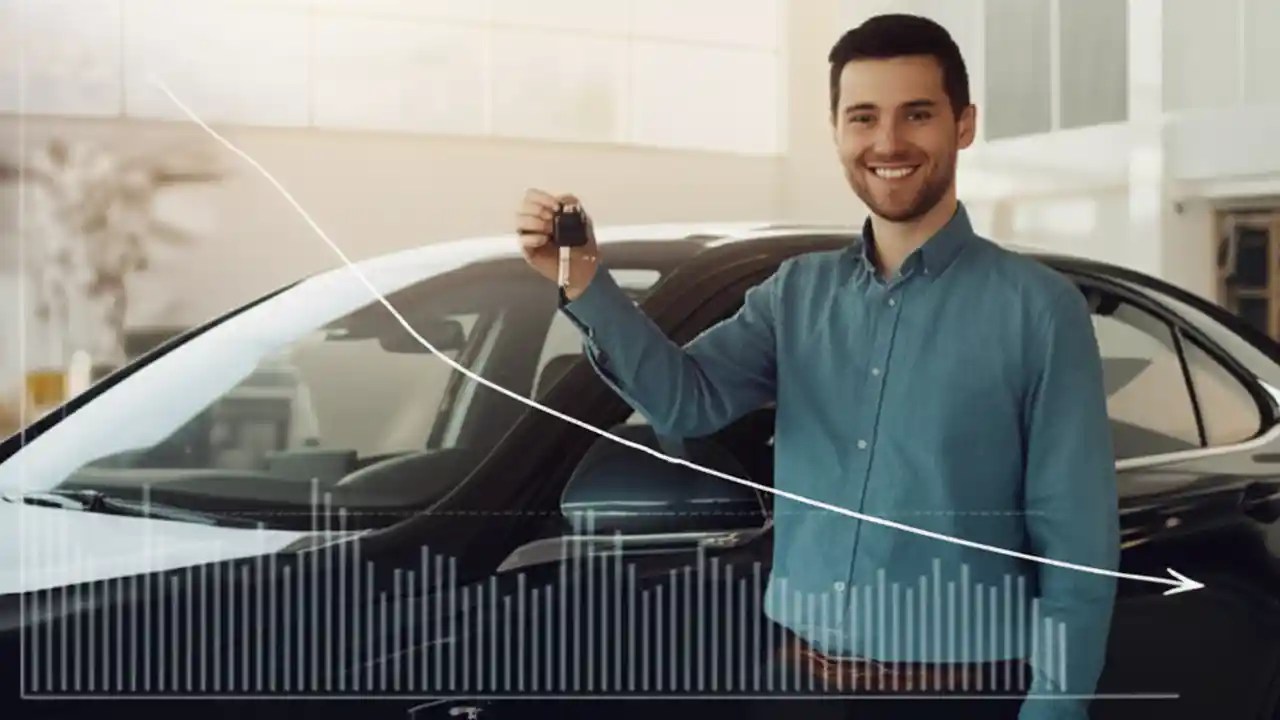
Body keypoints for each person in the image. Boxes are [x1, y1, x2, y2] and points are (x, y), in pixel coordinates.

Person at [514, 13, 1118, 720]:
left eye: (916, 114)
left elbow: (1076, 537)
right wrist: (585, 279)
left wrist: (1057, 705)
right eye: (863, 117)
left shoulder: (1040, 310)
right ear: (836, 132)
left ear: (963, 125)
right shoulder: (794, 295)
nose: (887, 142)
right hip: (799, 684)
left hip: (964, 696)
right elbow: (686, 402)